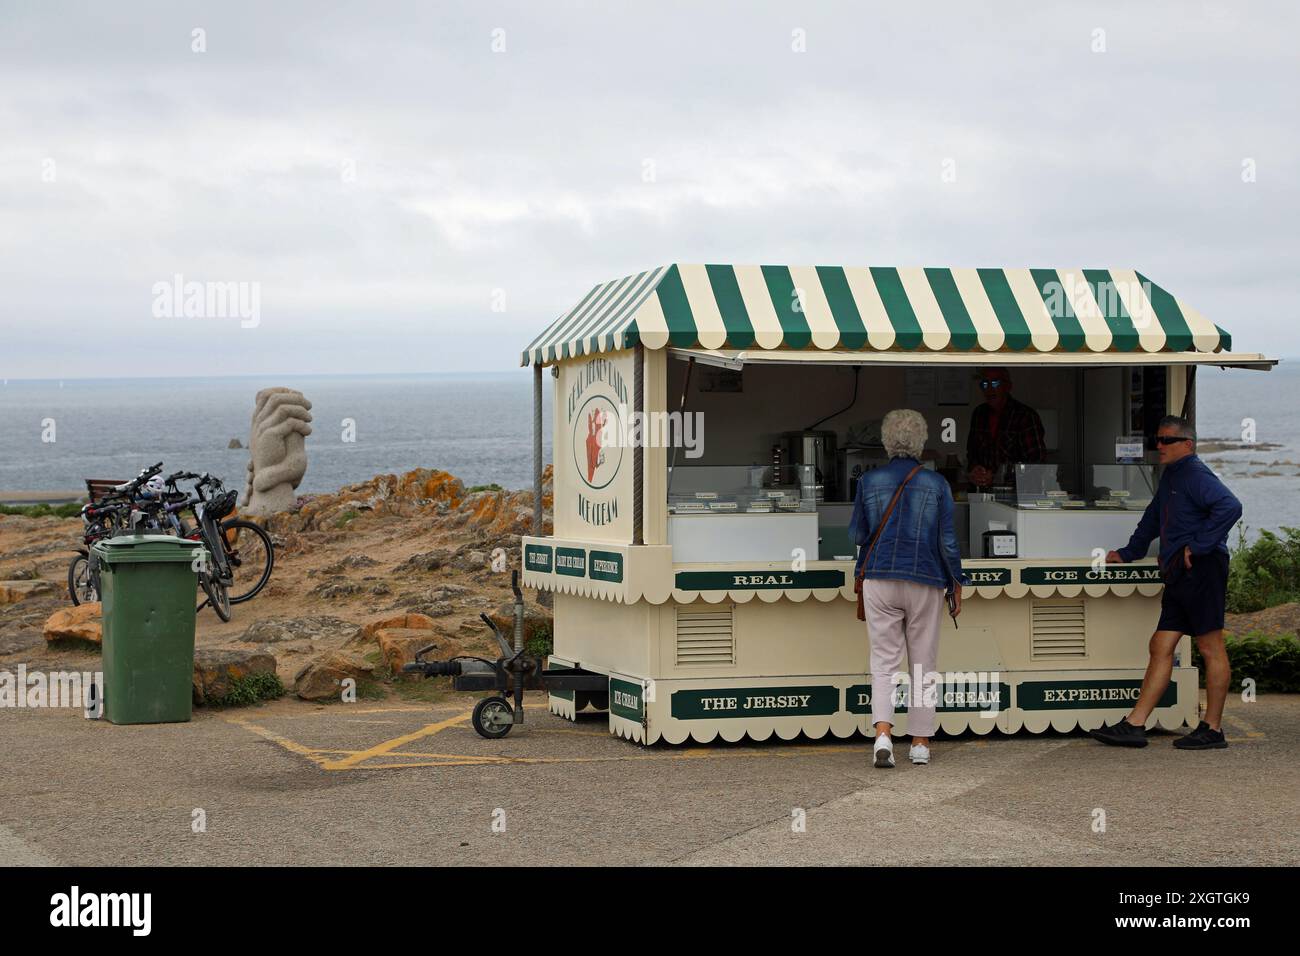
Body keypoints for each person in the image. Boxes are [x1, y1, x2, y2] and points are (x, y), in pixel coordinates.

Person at [1091, 415, 1242, 750]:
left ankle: (1213, 729)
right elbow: (1153, 517)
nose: (1159, 445)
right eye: (1157, 439)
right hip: (1178, 572)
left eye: (1167, 440)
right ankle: (1134, 724)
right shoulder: (1173, 474)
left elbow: (1230, 506)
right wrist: (1129, 552)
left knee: (1210, 647)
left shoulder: (1194, 473)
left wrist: (1198, 546)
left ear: (1187, 444)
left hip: (1203, 569)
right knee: (1160, 645)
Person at [850, 409, 967, 768]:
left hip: (880, 578)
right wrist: (957, 582)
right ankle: (919, 742)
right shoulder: (936, 485)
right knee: (922, 663)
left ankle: (882, 736)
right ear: (920, 442)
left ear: (886, 442)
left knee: (883, 663)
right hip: (925, 579)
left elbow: (856, 534)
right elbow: (947, 541)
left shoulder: (869, 481)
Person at [966, 367, 1046, 488]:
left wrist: (999, 475)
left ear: (1008, 386)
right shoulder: (979, 414)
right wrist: (975, 470)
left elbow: (1036, 461)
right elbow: (972, 453)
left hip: (1016, 493)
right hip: (983, 494)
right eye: (985, 384)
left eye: (995, 383)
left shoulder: (1025, 416)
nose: (989, 389)